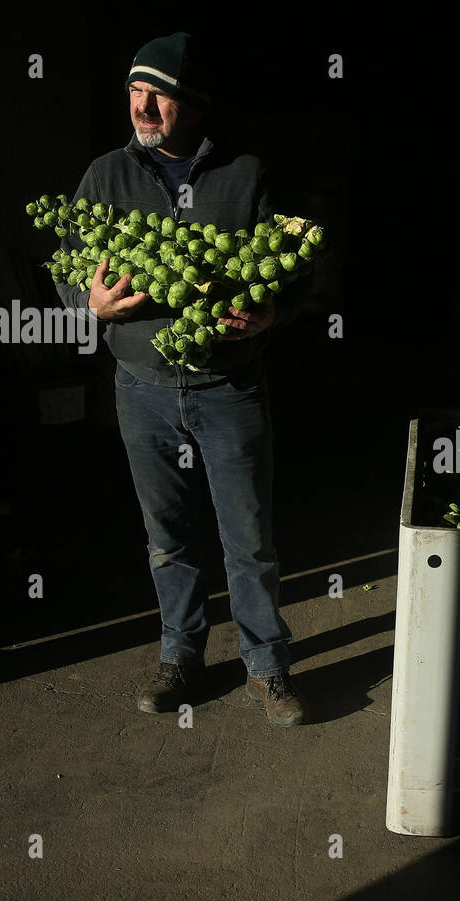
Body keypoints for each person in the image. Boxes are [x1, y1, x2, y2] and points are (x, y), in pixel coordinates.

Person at [54, 31, 306, 726]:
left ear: (193, 106)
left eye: (158, 95)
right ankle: (181, 658)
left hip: (230, 388)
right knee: (167, 535)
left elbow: (295, 268)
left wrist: (272, 313)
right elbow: (63, 268)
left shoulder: (245, 174)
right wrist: (89, 305)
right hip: (141, 387)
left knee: (247, 534)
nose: (143, 106)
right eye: (135, 92)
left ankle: (266, 667)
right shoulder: (106, 175)